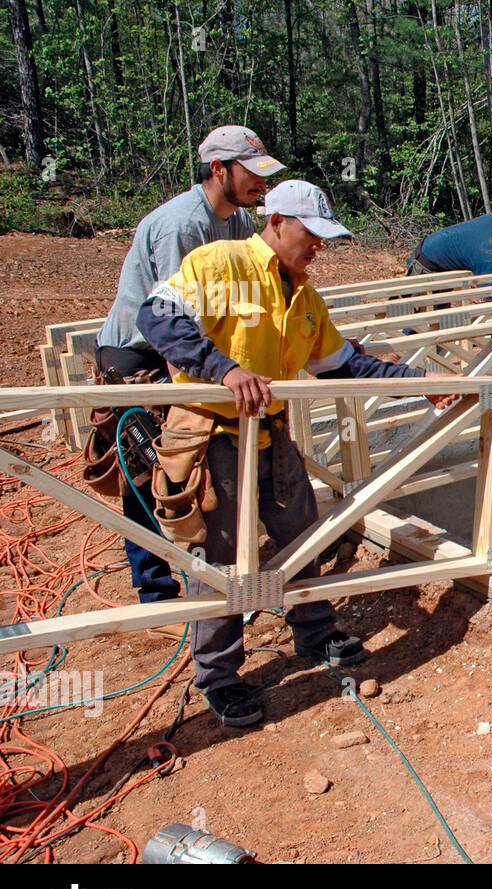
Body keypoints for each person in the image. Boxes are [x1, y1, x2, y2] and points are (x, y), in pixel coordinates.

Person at [137, 180, 457, 728]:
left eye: (325, 239)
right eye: (312, 235)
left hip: (272, 434)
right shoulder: (223, 264)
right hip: (213, 436)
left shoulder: (305, 300)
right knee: (222, 558)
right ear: (278, 220)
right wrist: (224, 369)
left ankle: (313, 630)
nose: (319, 248)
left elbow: (348, 366)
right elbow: (157, 317)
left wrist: (418, 378)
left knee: (303, 533)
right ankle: (219, 675)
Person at [94, 125, 284, 604]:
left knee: (193, 467)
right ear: (218, 170)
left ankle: (212, 576)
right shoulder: (181, 226)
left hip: (191, 355)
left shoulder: (238, 222)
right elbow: (175, 321)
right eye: (253, 174)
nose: (261, 185)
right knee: (152, 470)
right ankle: (156, 589)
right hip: (139, 355)